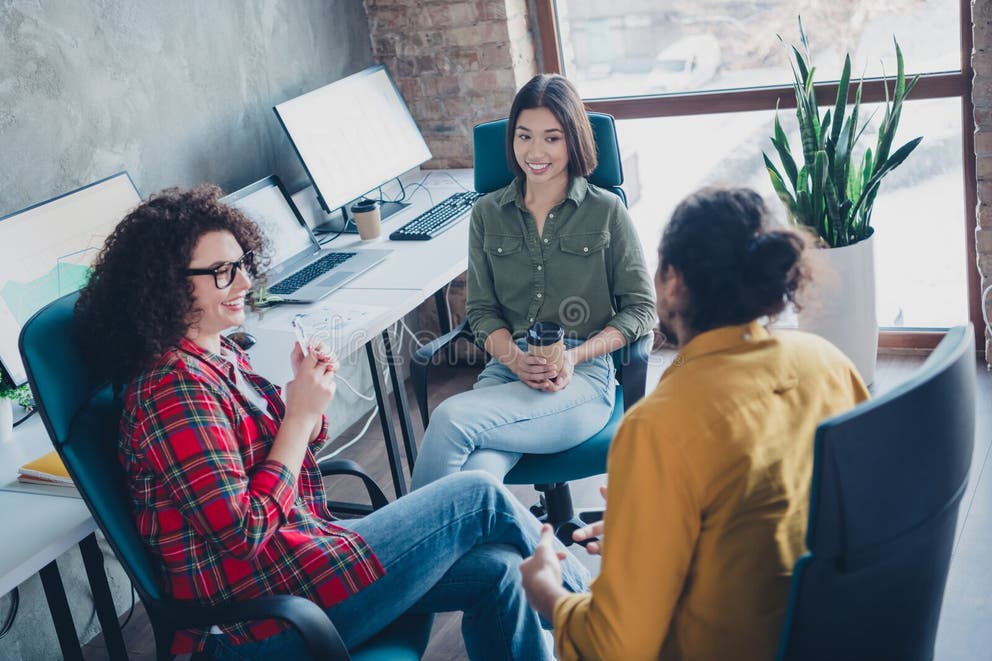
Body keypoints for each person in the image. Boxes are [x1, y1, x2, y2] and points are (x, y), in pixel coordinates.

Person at [74, 185, 588, 660]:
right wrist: (299, 416)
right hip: (255, 623)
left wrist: (305, 402)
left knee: (500, 572)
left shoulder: (217, 352)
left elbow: (268, 451)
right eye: (222, 272)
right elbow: (243, 532)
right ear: (164, 285)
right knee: (477, 495)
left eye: (241, 264)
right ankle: (607, 621)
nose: (245, 283)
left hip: (300, 561)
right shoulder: (172, 389)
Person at [520, 187, 871, 660]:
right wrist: (649, 535)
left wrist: (547, 594)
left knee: (506, 582)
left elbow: (615, 650)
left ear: (672, 280)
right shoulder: (827, 363)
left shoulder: (660, 427)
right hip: (823, 637)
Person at [410, 73, 655, 489]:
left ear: (573, 140)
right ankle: (505, 553)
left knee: (451, 419)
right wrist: (516, 360)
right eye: (524, 137)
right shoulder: (487, 213)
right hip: (506, 371)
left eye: (552, 138)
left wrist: (573, 358)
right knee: (478, 478)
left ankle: (399, 552)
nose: (535, 152)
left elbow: (642, 309)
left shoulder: (606, 210)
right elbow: (482, 312)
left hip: (580, 378)